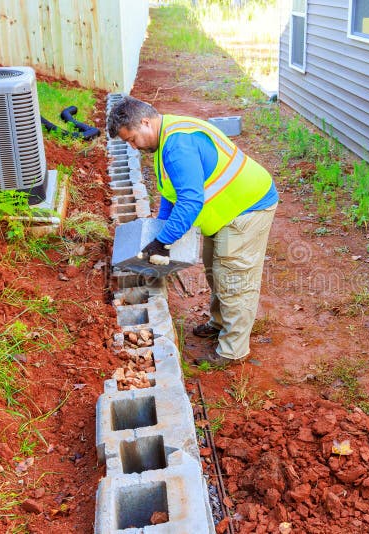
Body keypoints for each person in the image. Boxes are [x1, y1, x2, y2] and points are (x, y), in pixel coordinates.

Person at [106, 96, 278, 367]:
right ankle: (220, 322)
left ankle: (232, 352)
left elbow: (190, 200)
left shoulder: (177, 146)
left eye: (132, 139)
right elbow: (170, 191)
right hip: (225, 209)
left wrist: (163, 240)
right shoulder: (165, 137)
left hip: (247, 208)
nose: (133, 146)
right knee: (214, 269)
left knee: (233, 280)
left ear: (145, 122)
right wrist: (160, 228)